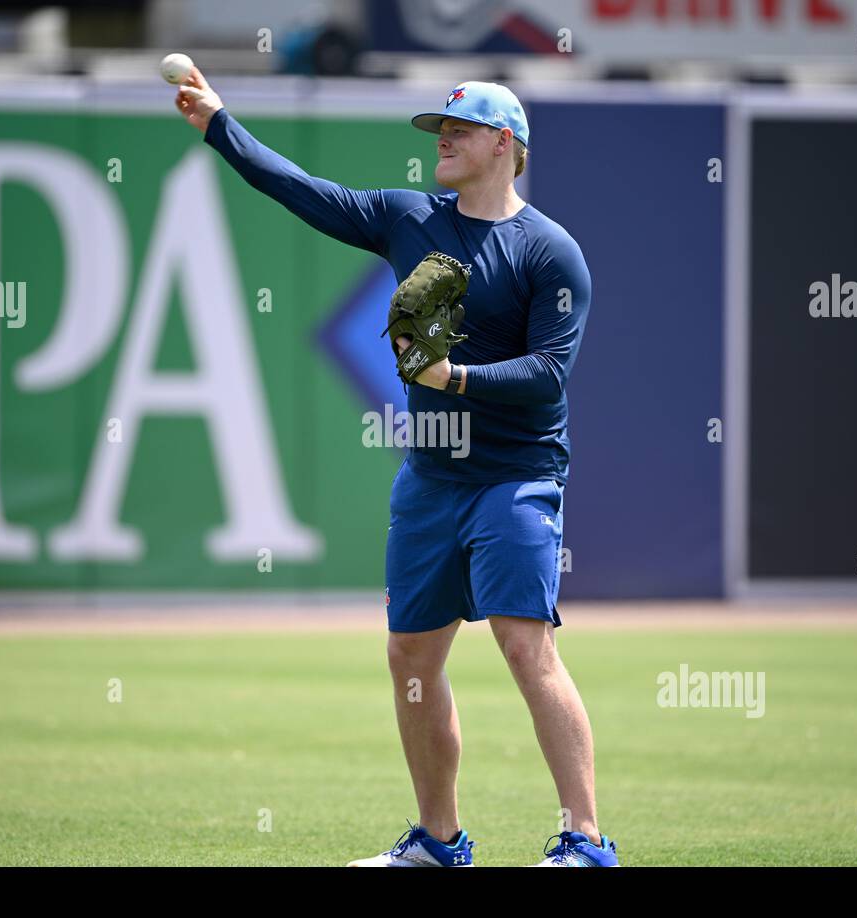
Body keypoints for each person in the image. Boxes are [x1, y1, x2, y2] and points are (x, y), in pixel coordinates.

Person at [176, 71, 615, 867]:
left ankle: (585, 841)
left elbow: (549, 373)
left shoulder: (551, 251)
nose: (441, 138)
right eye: (436, 127)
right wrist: (218, 123)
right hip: (430, 479)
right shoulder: (408, 216)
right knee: (411, 655)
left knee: (525, 644)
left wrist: (452, 376)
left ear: (505, 146)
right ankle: (439, 843)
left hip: (515, 477)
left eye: (460, 128)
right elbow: (303, 191)